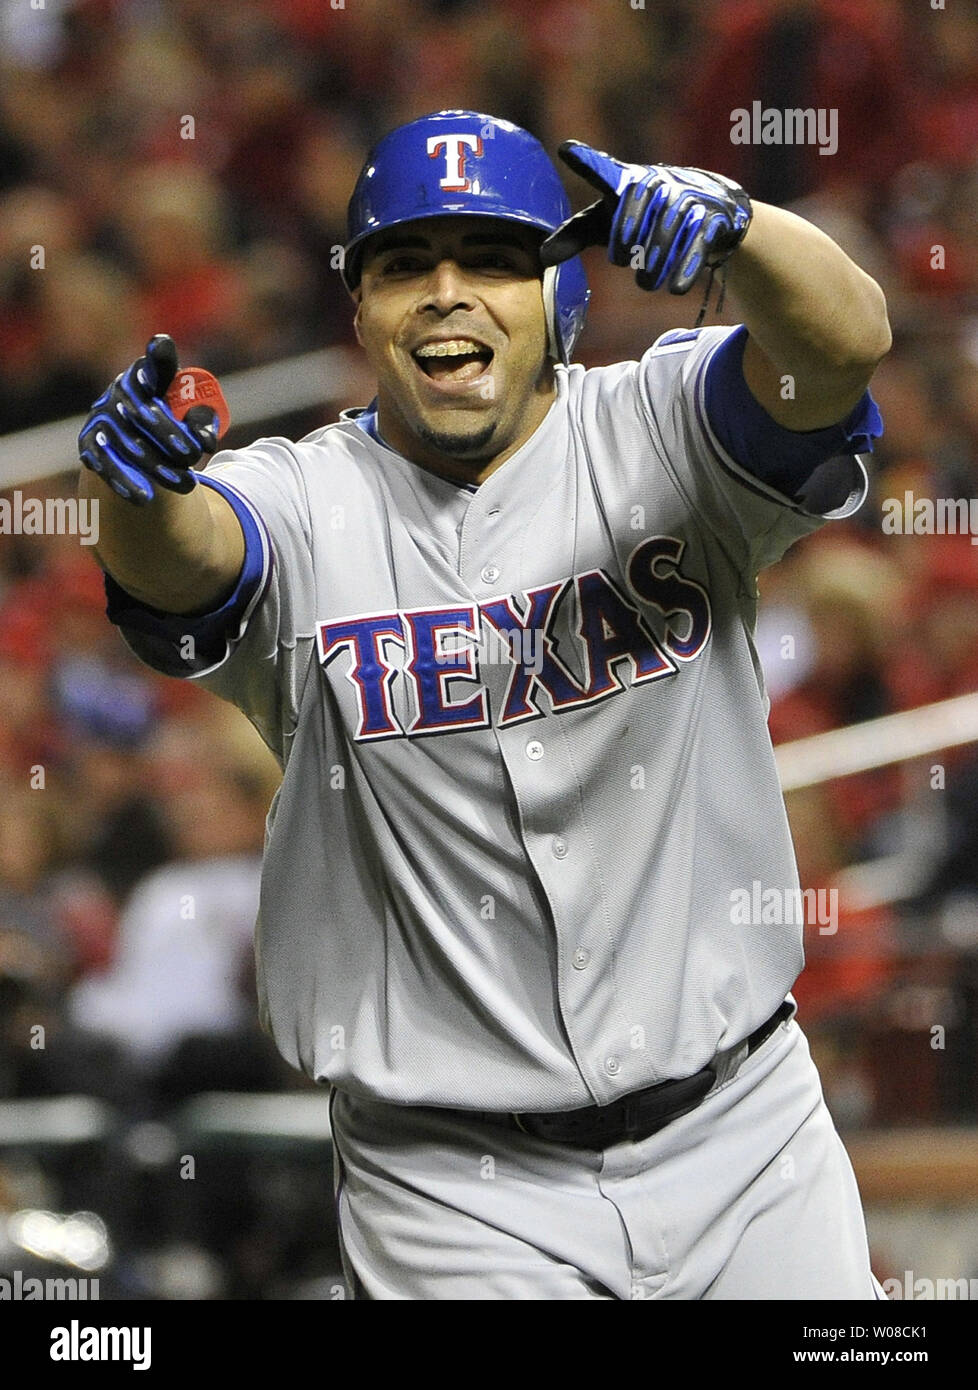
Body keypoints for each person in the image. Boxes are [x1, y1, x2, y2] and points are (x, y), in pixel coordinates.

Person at [77, 110, 891, 1300]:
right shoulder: (302, 501)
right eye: (406, 264)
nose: (448, 293)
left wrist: (744, 232)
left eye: (495, 259)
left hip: (746, 1135)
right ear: (361, 309)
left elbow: (844, 344)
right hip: (452, 1187)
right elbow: (186, 559)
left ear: (562, 295)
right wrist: (137, 490)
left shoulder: (664, 424)